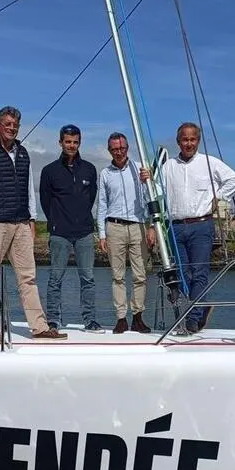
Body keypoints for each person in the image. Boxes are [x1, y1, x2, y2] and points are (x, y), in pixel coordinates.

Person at [0, 106, 66, 341]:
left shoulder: (23, 153)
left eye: (15, 125)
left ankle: (39, 327)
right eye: (7, 124)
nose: (11, 128)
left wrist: (32, 220)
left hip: (21, 223)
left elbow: (29, 189)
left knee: (28, 277)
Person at [161, 121, 235, 333]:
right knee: (182, 274)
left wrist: (219, 196)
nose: (189, 143)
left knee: (199, 273)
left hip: (201, 225)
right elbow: (157, 190)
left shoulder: (209, 163)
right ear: (178, 142)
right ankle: (201, 307)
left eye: (193, 139)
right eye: (185, 139)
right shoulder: (168, 166)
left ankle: (193, 318)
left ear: (198, 141)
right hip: (175, 227)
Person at [39, 124, 102, 333]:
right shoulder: (49, 171)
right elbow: (45, 201)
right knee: (55, 279)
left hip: (84, 231)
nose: (71, 145)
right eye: (68, 142)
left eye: (75, 142)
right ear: (60, 143)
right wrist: (56, 221)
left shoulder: (90, 169)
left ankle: (90, 320)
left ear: (79, 143)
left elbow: (91, 198)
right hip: (60, 233)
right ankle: (53, 320)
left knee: (88, 279)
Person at [97, 132, 156, 334]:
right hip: (114, 227)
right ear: (109, 150)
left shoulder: (140, 169)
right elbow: (102, 204)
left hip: (138, 225)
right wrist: (102, 234)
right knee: (118, 276)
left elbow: (151, 198)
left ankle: (138, 317)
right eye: (115, 149)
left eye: (122, 148)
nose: (119, 152)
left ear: (127, 148)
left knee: (140, 275)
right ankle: (121, 318)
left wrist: (152, 226)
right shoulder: (105, 174)